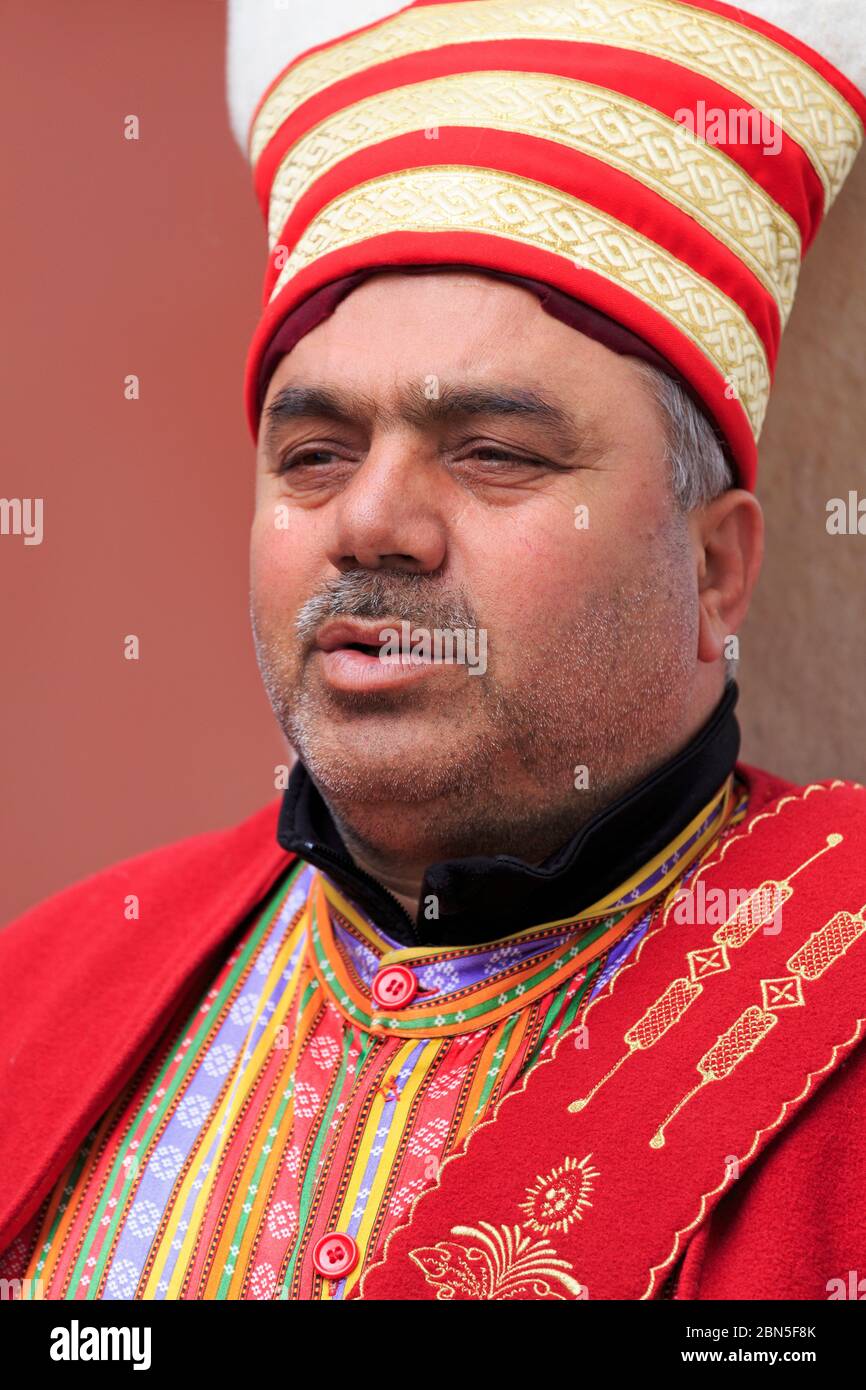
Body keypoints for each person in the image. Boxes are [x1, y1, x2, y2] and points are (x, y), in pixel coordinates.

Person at [2, 0, 865, 1301]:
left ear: (714, 566)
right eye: (313, 455)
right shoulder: (42, 999)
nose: (368, 523)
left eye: (494, 452)